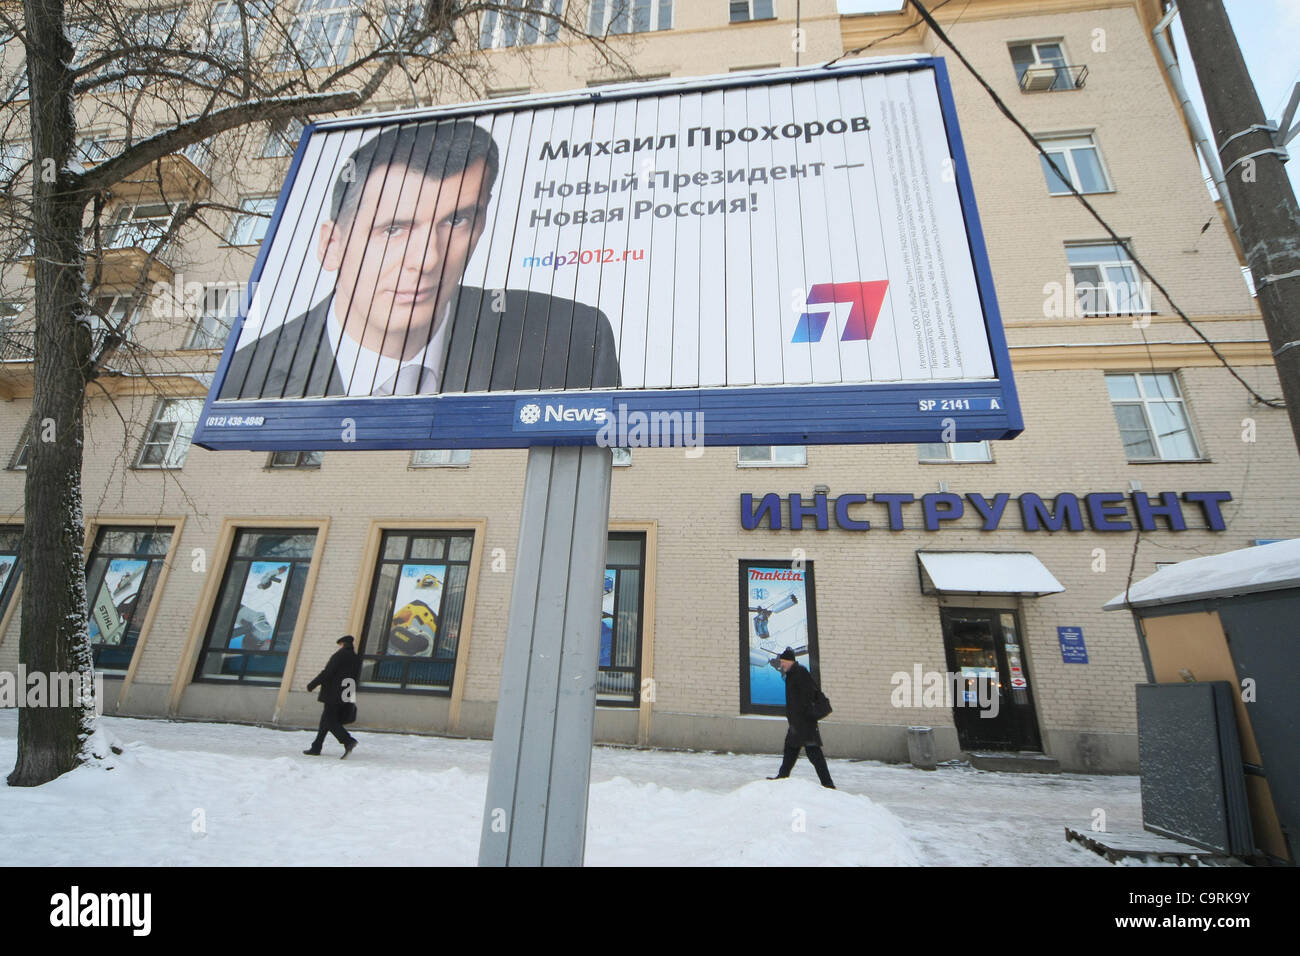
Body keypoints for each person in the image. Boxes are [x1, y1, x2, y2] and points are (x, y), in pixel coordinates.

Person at [219, 120, 620, 399]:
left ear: (481, 223)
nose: (427, 260)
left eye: (457, 220)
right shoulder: (245, 380)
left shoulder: (572, 341)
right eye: (393, 229)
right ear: (331, 245)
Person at [767, 647, 835, 788]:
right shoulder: (791, 673)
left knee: (814, 754)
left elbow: (809, 695)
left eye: (783, 662)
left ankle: (828, 784)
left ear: (790, 661)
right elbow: (780, 670)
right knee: (790, 750)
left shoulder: (800, 673)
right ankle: (782, 777)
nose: (782, 664)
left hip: (805, 722)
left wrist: (805, 713)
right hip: (797, 722)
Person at [304, 634, 361, 759]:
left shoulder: (339, 655)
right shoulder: (356, 658)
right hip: (346, 692)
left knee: (330, 720)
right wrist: (349, 695)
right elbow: (355, 677)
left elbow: (328, 672)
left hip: (333, 694)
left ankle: (347, 740)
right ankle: (316, 747)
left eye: (340, 645)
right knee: (325, 720)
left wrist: (312, 685)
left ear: (343, 644)